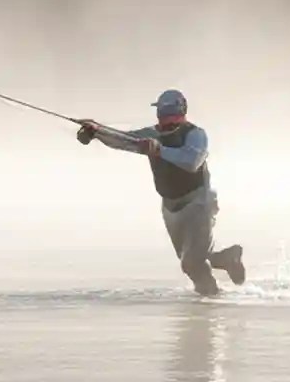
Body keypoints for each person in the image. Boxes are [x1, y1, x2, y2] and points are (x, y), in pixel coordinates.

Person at [76, 89, 245, 296]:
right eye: (163, 117)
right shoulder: (152, 135)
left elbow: (191, 162)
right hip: (171, 207)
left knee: (191, 261)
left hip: (198, 202)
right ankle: (218, 278)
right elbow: (123, 140)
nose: (166, 123)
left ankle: (211, 306)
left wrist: (159, 150)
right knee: (191, 263)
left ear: (182, 114)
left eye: (172, 118)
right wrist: (97, 131)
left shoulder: (196, 134)